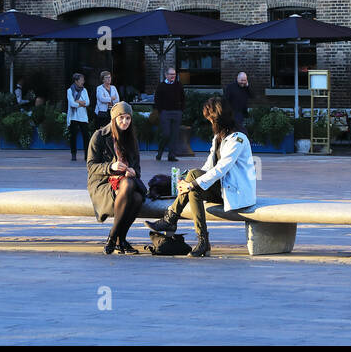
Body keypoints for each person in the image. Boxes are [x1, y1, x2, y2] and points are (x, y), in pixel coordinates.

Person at [147, 95, 256, 257]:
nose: (210, 123)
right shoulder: (219, 137)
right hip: (221, 188)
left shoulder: (237, 138)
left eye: (211, 119)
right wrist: (188, 182)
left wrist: (192, 183)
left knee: (193, 182)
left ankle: (171, 219)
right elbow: (208, 166)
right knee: (193, 184)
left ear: (219, 118)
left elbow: (221, 168)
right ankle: (202, 241)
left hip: (236, 192)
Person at [87, 101, 147, 254]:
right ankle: (116, 238)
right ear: (114, 118)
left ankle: (118, 238)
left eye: (128, 118)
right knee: (130, 188)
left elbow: (138, 170)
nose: (125, 122)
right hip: (103, 182)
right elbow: (91, 166)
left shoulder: (132, 139)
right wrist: (111, 167)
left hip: (126, 183)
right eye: (121, 118)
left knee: (136, 196)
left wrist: (133, 171)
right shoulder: (99, 136)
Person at [153, 67, 185, 162]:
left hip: (177, 112)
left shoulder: (179, 85)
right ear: (166, 75)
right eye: (171, 74)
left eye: (174, 74)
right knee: (166, 134)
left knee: (174, 135)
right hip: (165, 113)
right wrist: (161, 111)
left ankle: (171, 155)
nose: (173, 76)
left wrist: (181, 110)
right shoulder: (161, 86)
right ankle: (160, 151)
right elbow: (157, 99)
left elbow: (183, 98)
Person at [66, 72, 91, 162]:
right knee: (73, 136)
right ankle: (73, 154)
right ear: (76, 81)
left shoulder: (84, 90)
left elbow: (87, 102)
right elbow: (72, 103)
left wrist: (78, 102)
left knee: (86, 136)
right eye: (81, 80)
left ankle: (87, 155)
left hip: (83, 117)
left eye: (83, 80)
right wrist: (81, 103)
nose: (83, 81)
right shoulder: (69, 90)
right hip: (73, 116)